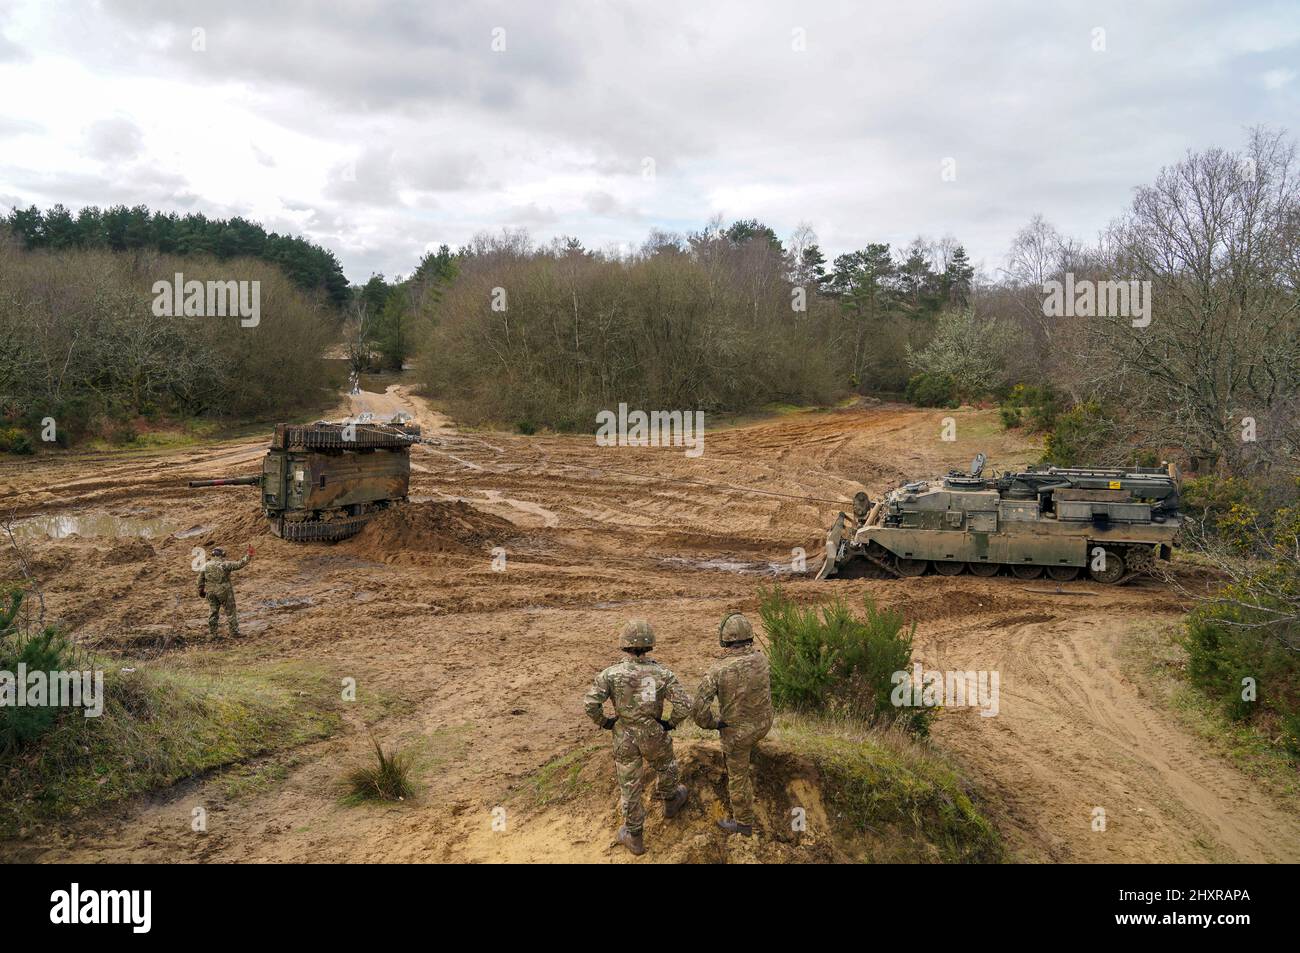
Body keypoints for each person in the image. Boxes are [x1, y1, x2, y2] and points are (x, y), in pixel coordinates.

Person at [583, 620, 691, 856]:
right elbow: (684, 705)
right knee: (667, 766)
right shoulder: (662, 673)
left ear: (624, 645)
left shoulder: (610, 675)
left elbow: (591, 704)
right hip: (653, 733)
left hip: (624, 737)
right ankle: (671, 800)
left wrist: (606, 722)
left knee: (630, 786)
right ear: (650, 644)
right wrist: (669, 724)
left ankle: (634, 836)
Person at [692, 612, 773, 836]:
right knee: (745, 745)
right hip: (764, 724)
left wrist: (715, 724)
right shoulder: (762, 659)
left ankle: (743, 824)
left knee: (738, 778)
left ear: (725, 640)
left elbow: (698, 710)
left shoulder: (718, 670)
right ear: (749, 637)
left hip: (738, 735)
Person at [200, 545, 253, 639]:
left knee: (213, 612)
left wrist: (201, 591)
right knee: (230, 612)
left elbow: (200, 580)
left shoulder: (205, 565)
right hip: (224, 591)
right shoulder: (225, 564)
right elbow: (240, 564)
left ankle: (213, 633)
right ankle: (234, 632)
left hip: (211, 591)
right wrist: (248, 555)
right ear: (222, 555)